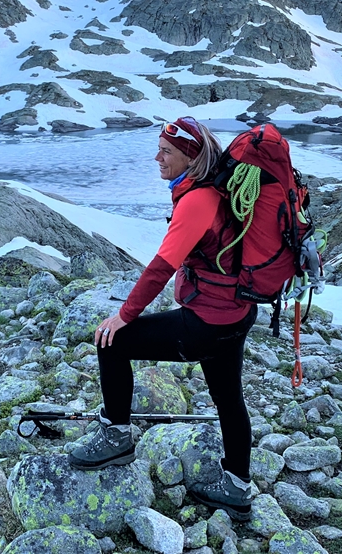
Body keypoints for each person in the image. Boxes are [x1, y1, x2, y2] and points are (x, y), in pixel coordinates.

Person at [68, 116, 259, 521]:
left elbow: (160, 267)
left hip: (208, 322)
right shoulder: (216, 188)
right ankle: (238, 485)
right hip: (236, 313)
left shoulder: (195, 201)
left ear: (190, 157)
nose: (157, 157)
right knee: (228, 397)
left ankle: (116, 436)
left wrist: (123, 316)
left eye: (166, 151)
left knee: (112, 341)